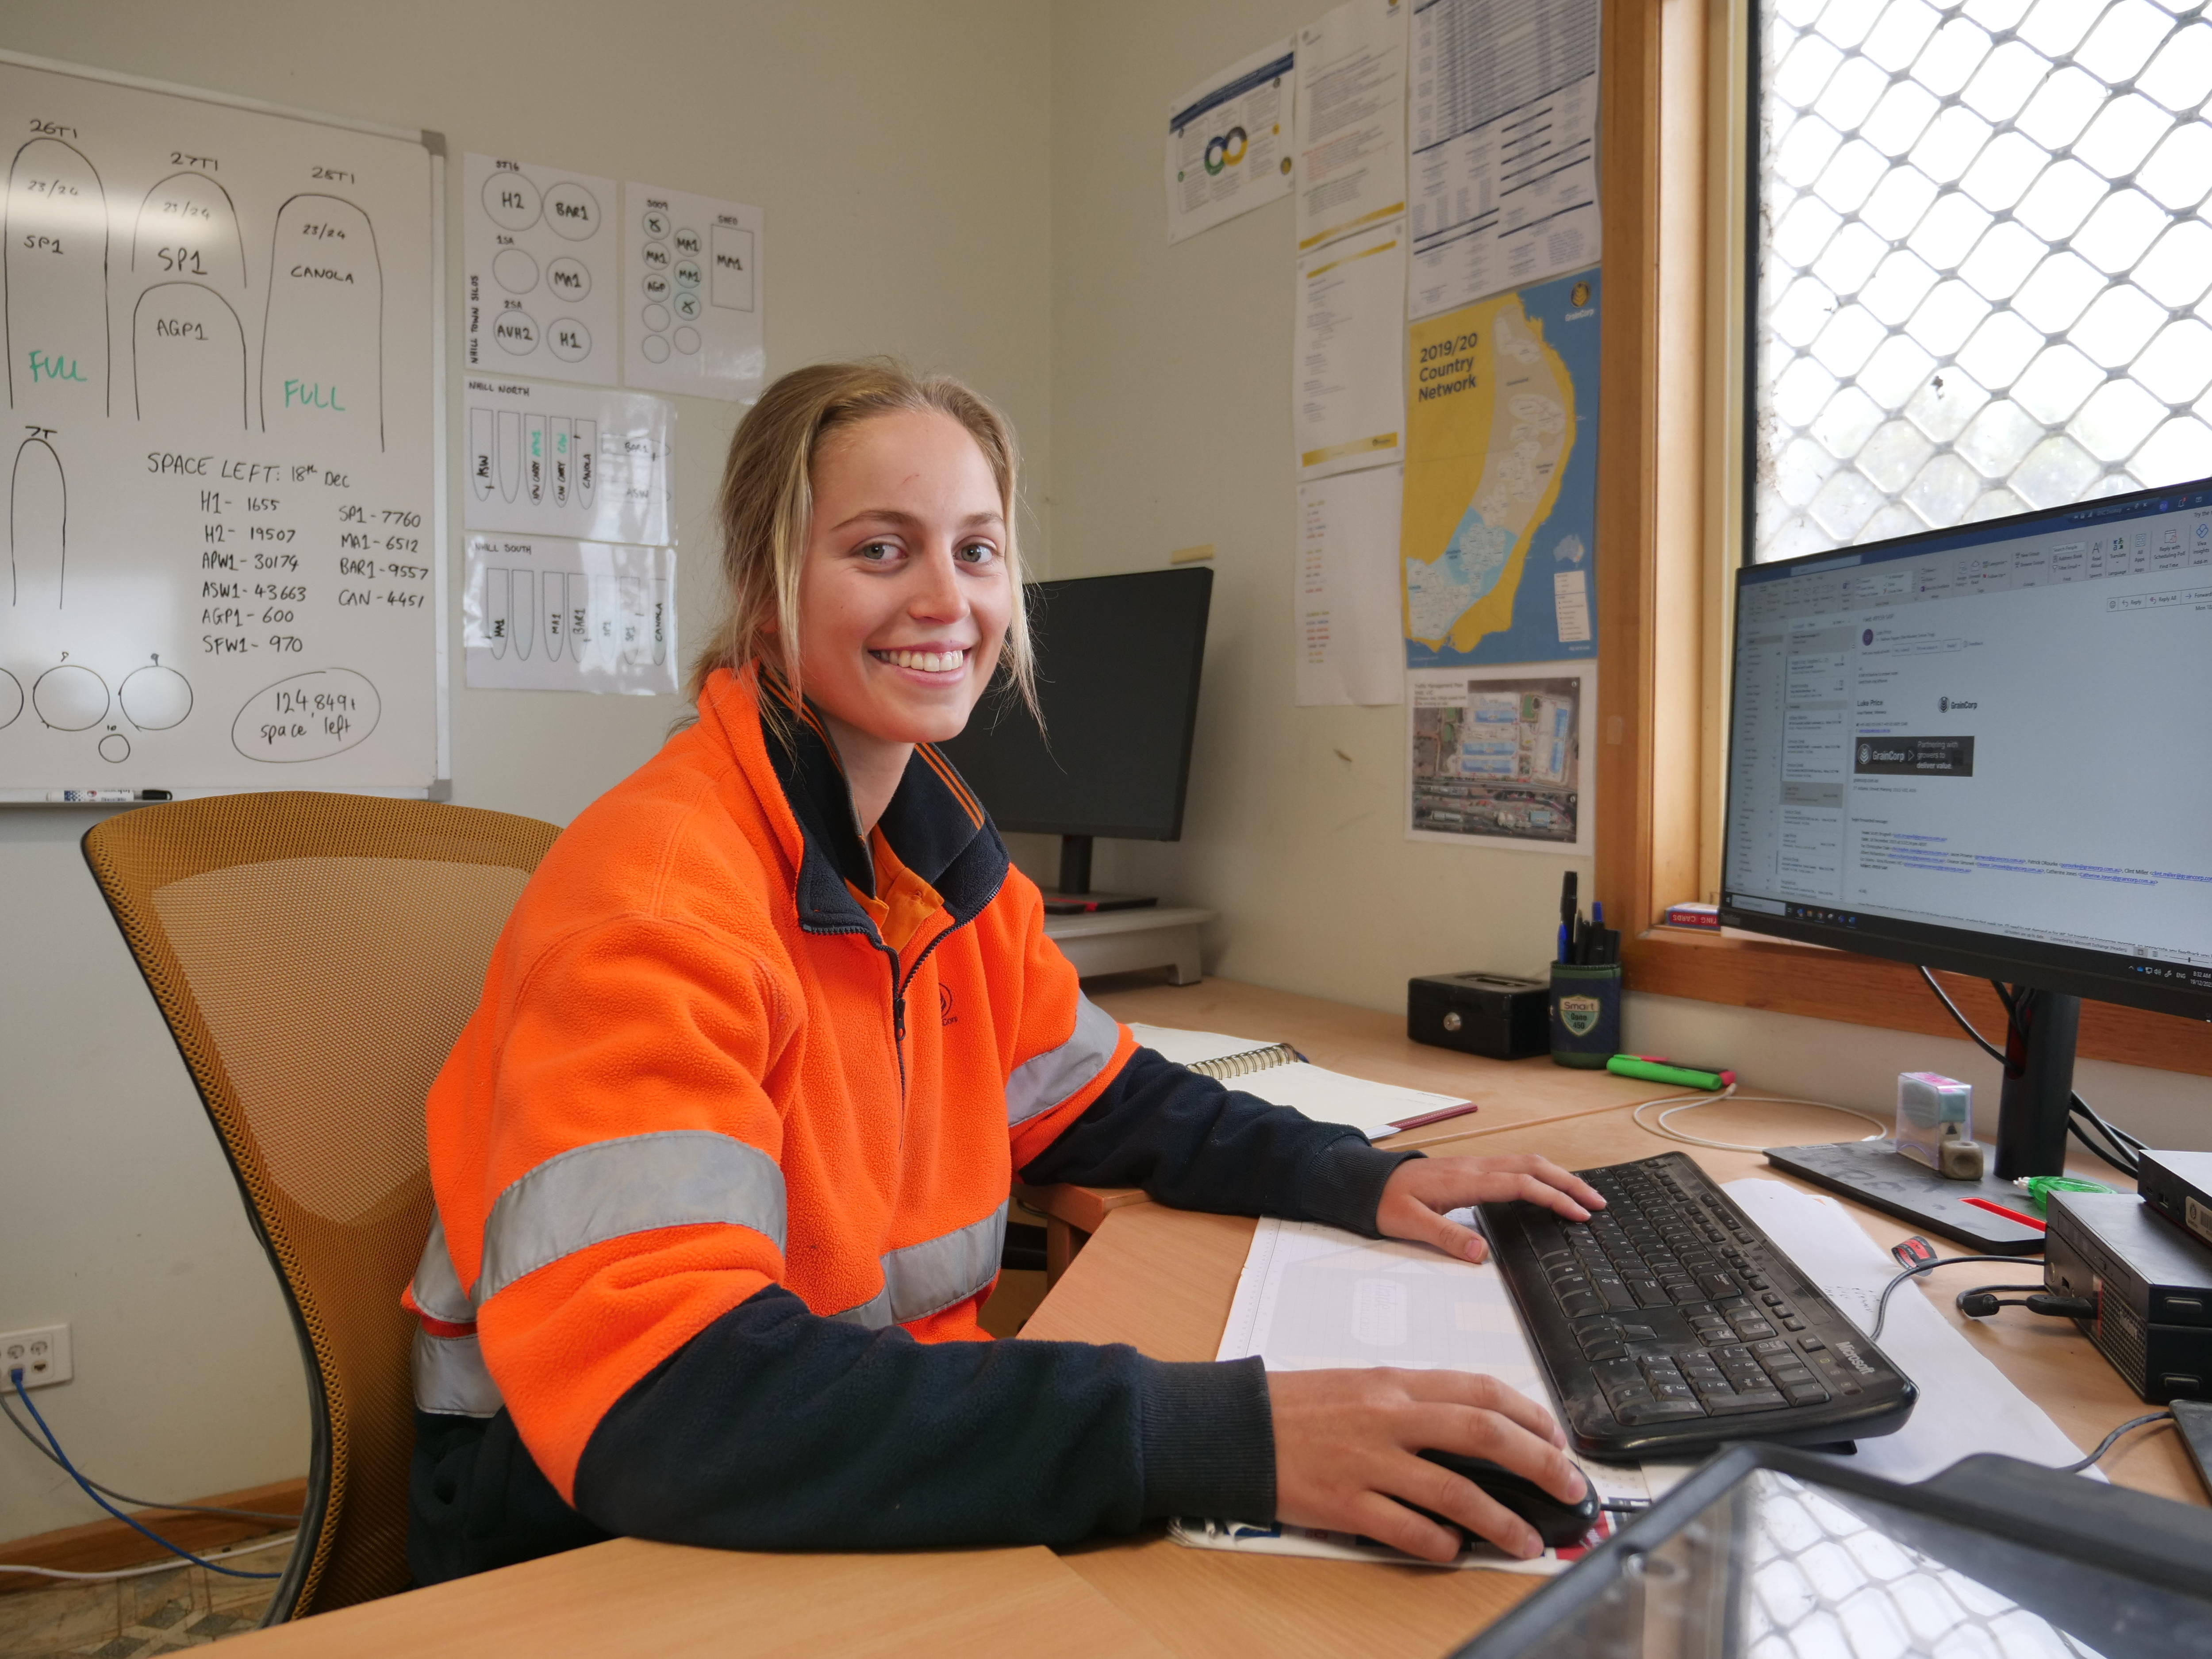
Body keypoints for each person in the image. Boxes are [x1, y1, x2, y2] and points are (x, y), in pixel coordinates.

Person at [405, 359, 1602, 1584]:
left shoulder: (935, 864)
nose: (946, 599)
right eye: (881, 550)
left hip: (842, 1435)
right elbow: (665, 1396)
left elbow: (1106, 1098)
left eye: (978, 552)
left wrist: (1354, 1178)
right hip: (589, 1513)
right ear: (768, 594)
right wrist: (1223, 1432)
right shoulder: (662, 903)